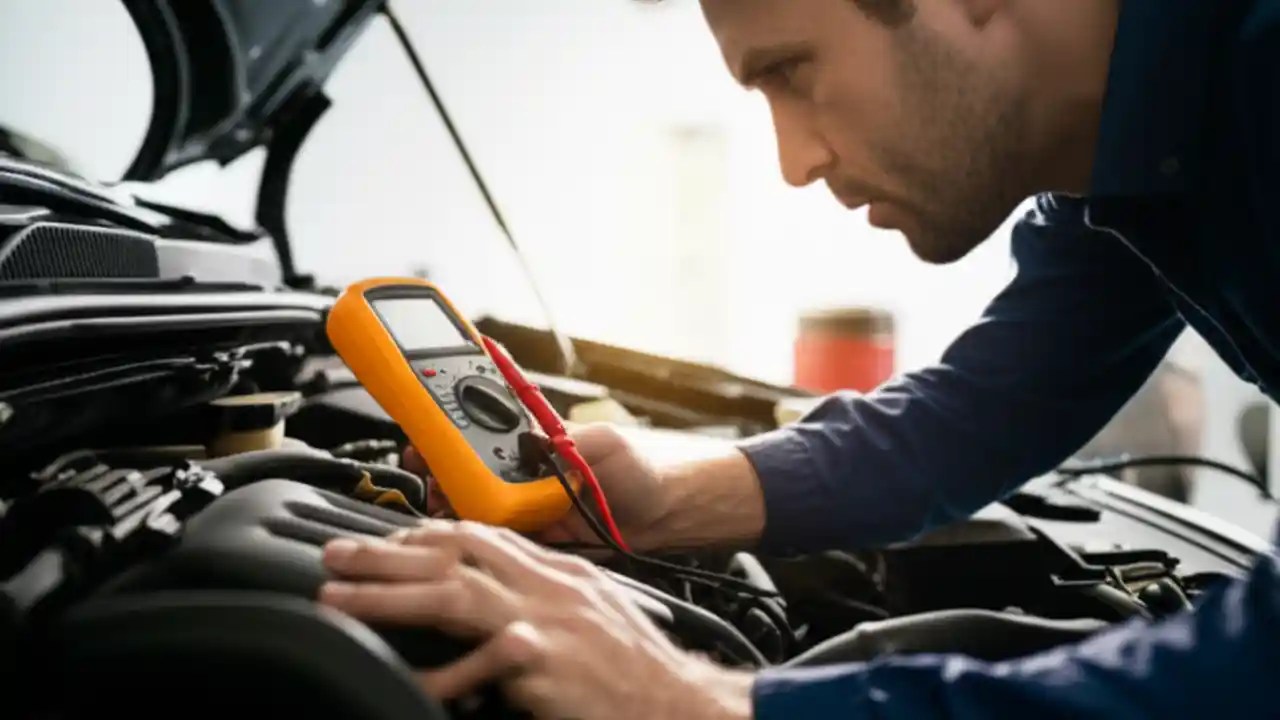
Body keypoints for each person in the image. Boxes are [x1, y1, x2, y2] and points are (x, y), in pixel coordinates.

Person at [316, 0, 1280, 717]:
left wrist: (708, 704)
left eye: (789, 70)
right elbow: (983, 413)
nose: (793, 161)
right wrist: (659, 498)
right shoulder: (1121, 170)